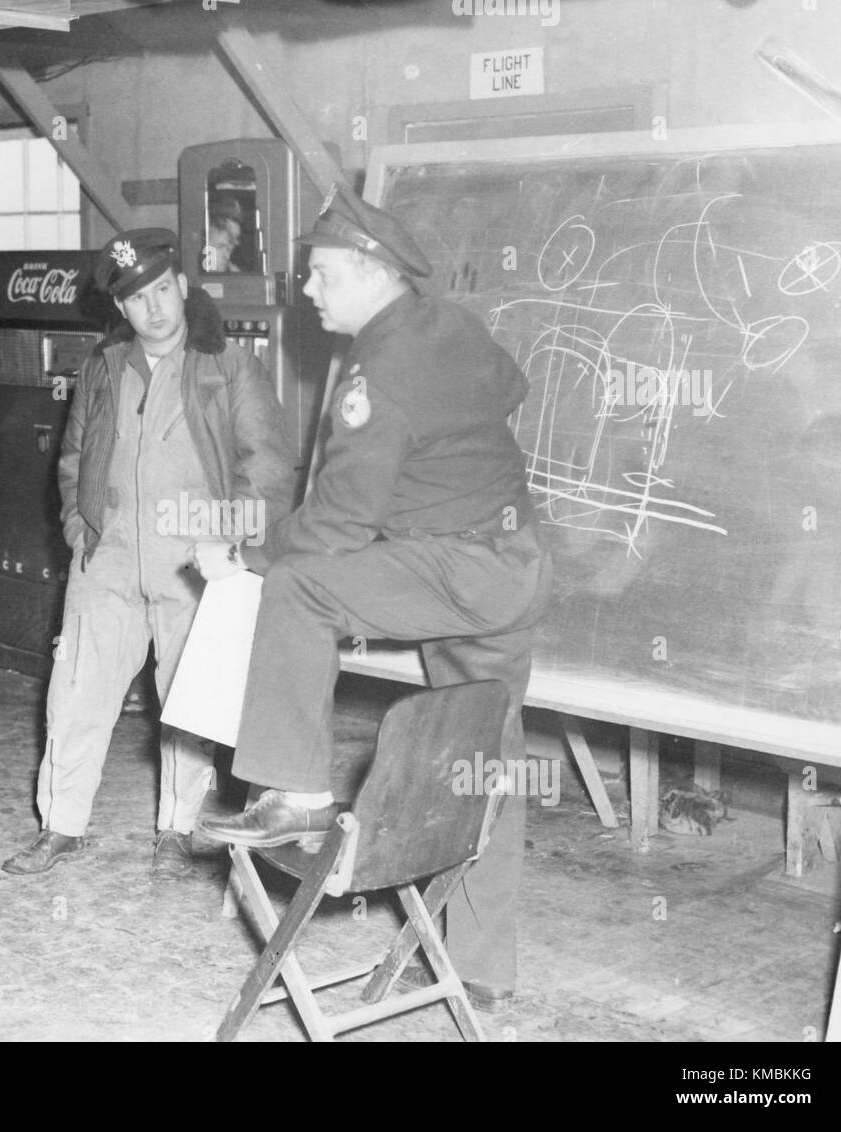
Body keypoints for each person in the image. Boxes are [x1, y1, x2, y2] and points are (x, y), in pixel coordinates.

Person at [194, 184, 553, 1011]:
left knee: (298, 589)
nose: (307, 292)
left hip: (459, 571)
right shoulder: (451, 324)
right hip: (515, 560)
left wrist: (244, 553)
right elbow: (514, 386)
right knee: (480, 760)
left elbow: (338, 528)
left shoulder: (375, 371)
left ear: (365, 271)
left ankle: (295, 794)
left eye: (320, 276)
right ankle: (484, 965)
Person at [2, 228, 295, 879]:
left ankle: (178, 828)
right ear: (121, 309)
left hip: (191, 564)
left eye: (163, 291)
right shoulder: (103, 368)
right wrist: (81, 531)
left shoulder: (228, 365)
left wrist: (233, 546)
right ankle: (60, 825)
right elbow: (73, 458)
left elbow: (269, 467)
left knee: (187, 705)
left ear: (183, 288)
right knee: (73, 693)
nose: (154, 309)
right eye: (137, 299)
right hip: (108, 561)